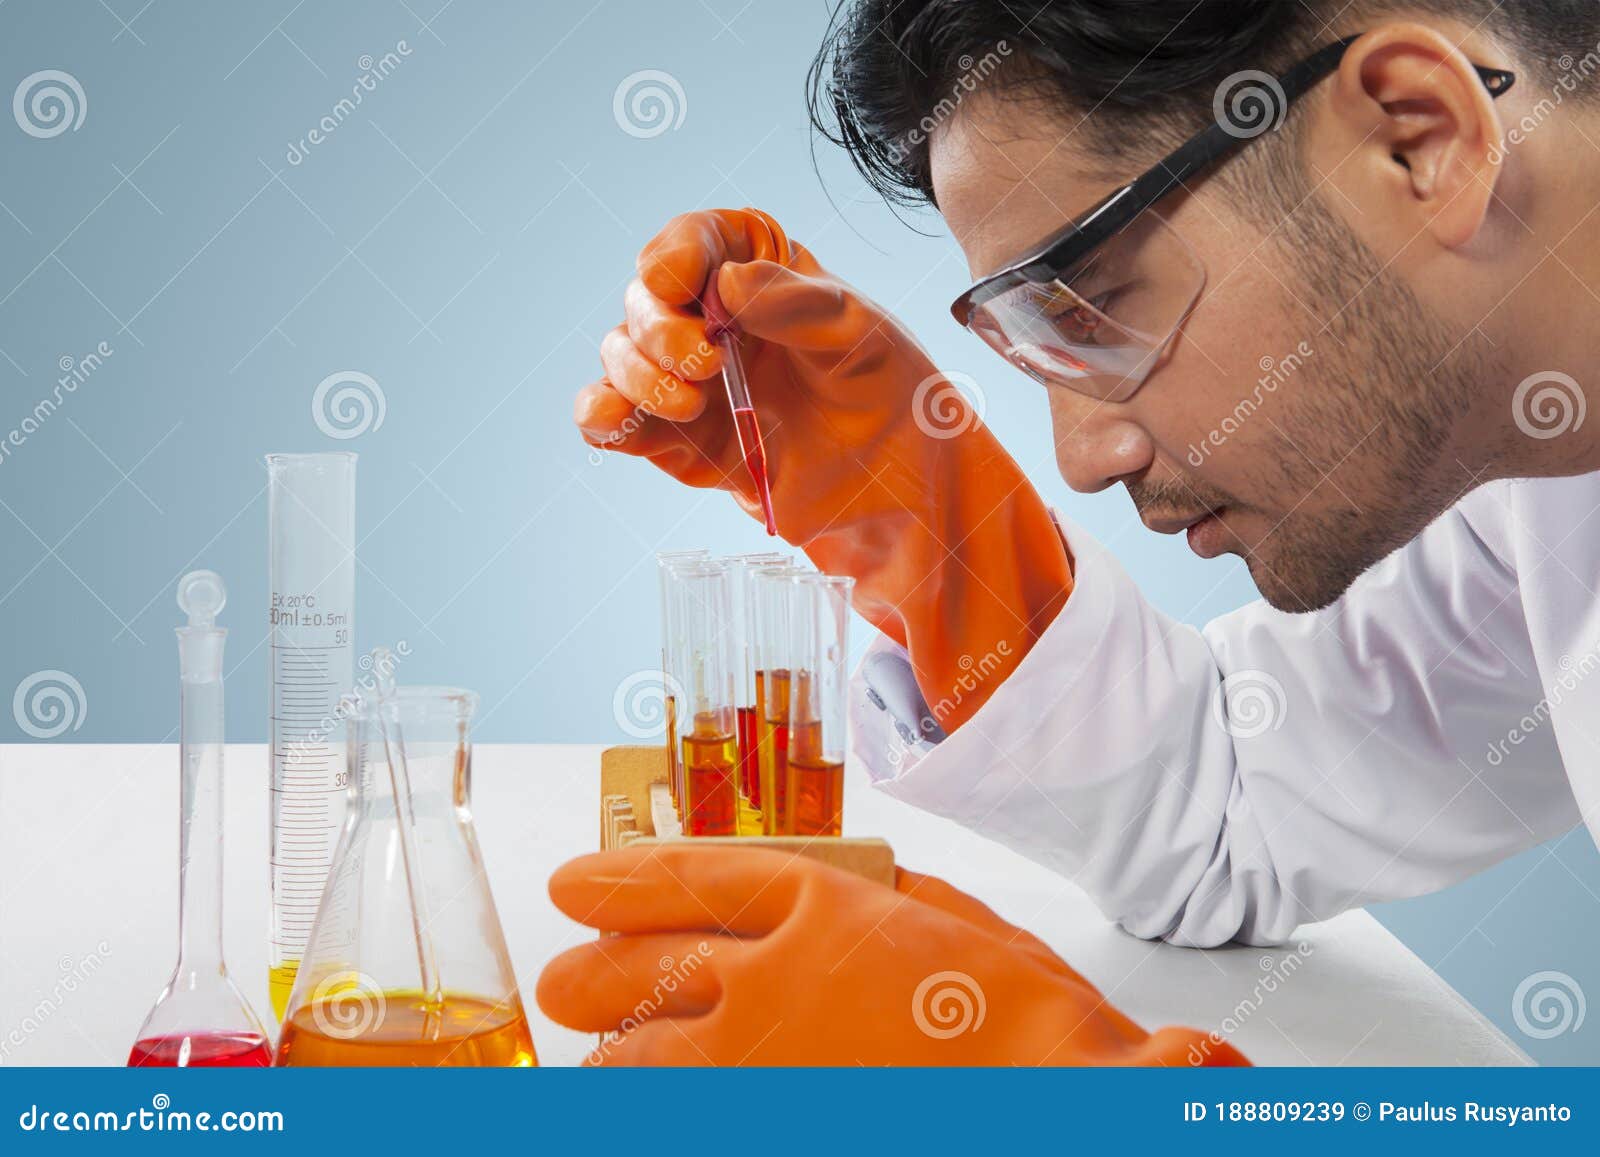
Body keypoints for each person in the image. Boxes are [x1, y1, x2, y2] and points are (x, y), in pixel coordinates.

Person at [546, 0, 1600, 1061]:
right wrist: (929, 530)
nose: (1085, 458)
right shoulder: (1535, 481)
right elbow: (1234, 818)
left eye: (1098, 307)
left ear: (1417, 136)